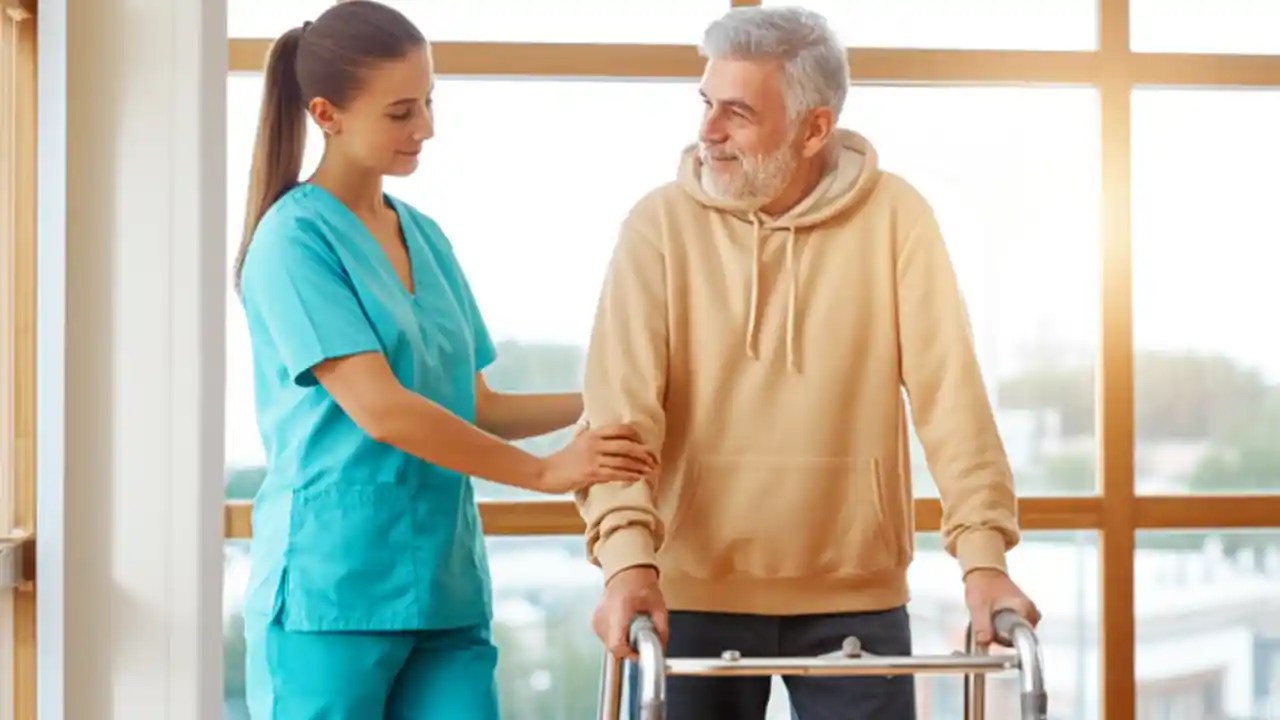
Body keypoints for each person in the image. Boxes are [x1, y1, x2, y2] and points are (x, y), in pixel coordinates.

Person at [577, 6, 1040, 719]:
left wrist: (984, 560)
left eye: (736, 112)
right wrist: (628, 560)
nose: (708, 131)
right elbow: (620, 418)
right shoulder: (659, 226)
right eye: (706, 104)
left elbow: (953, 399)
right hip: (686, 595)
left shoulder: (896, 218)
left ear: (814, 127)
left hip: (857, 597)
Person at [233, 2, 656, 718]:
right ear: (326, 114)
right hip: (332, 592)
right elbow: (383, 410)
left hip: (444, 586)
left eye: (428, 102)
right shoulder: (292, 241)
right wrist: (547, 473)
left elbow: (477, 403)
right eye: (401, 112)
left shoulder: (424, 236)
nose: (425, 127)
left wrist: (616, 398)